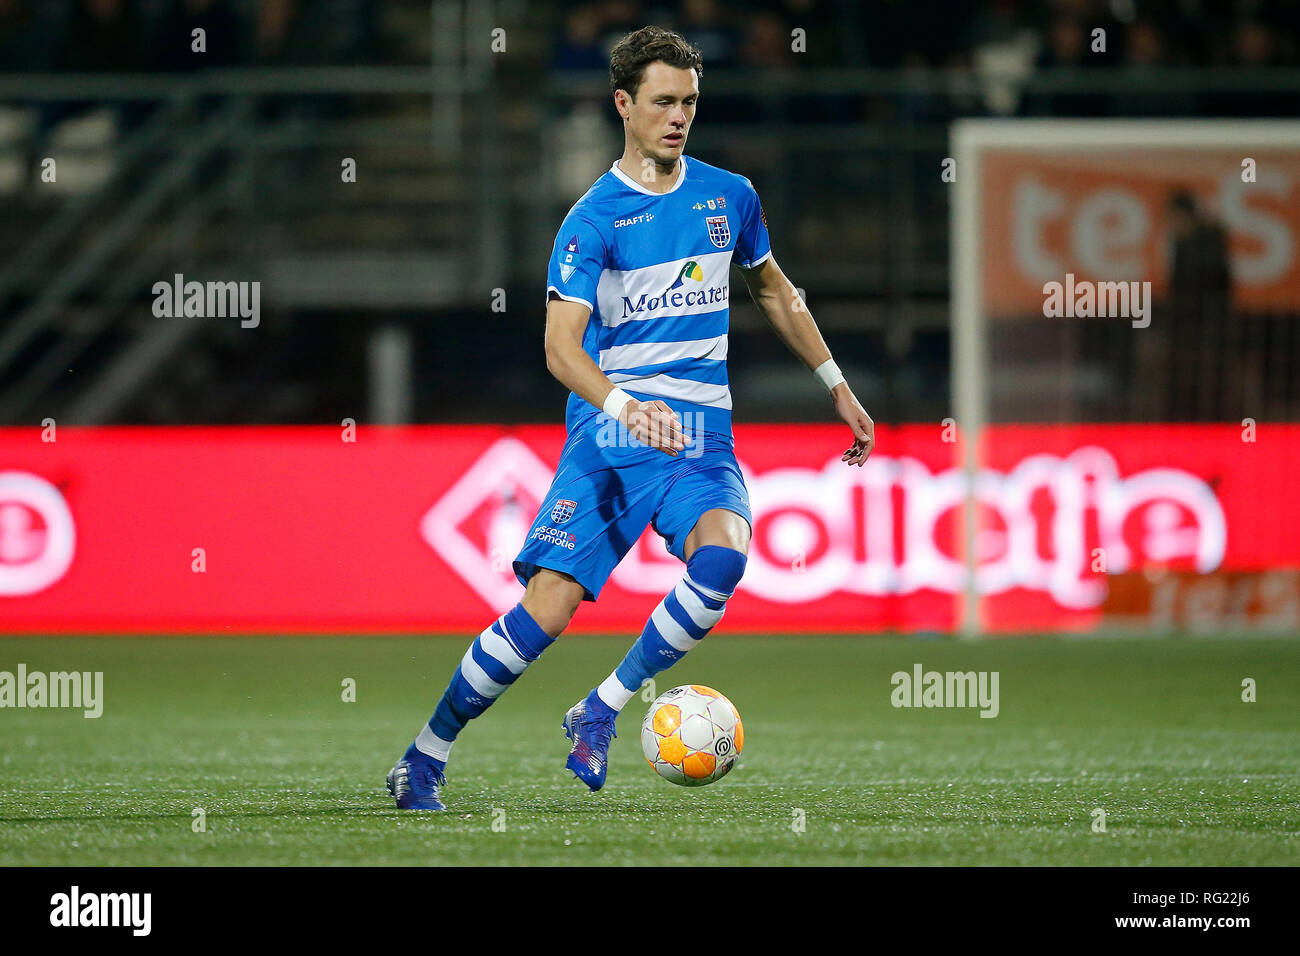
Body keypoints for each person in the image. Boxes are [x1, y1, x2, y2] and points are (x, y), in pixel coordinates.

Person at [387, 25, 874, 810]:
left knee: (723, 560)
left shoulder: (730, 196)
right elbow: (560, 349)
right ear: (623, 103)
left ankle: (603, 707)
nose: (678, 117)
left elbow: (773, 289)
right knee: (548, 609)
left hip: (701, 435)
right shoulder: (593, 221)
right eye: (662, 101)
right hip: (612, 434)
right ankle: (426, 755)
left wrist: (835, 384)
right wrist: (623, 405)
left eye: (689, 102)